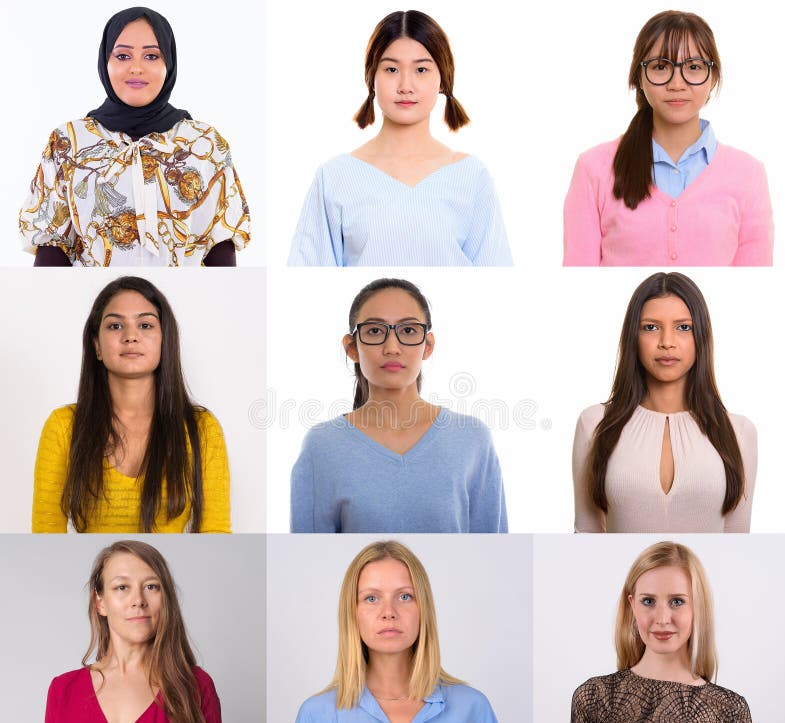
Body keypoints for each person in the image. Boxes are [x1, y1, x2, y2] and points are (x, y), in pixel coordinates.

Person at [20, 7, 250, 266]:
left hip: (187, 303)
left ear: (169, 63)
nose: (136, 68)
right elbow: (52, 247)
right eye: (123, 55)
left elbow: (221, 247)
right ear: (105, 62)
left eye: (151, 56)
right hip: (93, 303)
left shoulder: (204, 144)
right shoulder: (69, 143)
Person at [287, 540, 512, 723]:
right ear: (353, 612)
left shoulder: (472, 710)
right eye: (371, 598)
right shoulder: (316, 717)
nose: (389, 612)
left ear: (422, 609)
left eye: (404, 596)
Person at [288, 10, 512, 266]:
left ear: (443, 79)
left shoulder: (471, 177)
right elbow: (308, 279)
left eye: (421, 69)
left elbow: (496, 282)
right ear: (372, 77)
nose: (406, 85)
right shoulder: (335, 177)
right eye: (392, 69)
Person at [290, 278, 507, 532]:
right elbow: (313, 557)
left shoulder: (472, 439)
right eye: (374, 331)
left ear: (428, 345)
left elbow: (492, 552)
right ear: (352, 348)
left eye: (408, 331)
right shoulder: (322, 446)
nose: (392, 348)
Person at [563, 10, 772, 266]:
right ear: (639, 76)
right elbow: (578, 279)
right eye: (661, 67)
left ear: (713, 77)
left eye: (694, 67)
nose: (677, 83)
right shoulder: (593, 168)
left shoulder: (748, 175)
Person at [570, 541, 768, 723]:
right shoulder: (594, 697)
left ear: (698, 606)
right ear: (632, 605)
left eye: (677, 601)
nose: (662, 618)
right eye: (648, 601)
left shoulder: (727, 708)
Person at [32, 275, 230, 532]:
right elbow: (46, 535)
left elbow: (216, 534)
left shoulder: (202, 428)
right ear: (96, 346)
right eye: (115, 326)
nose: (131, 336)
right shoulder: (63, 426)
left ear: (165, 340)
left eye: (145, 325)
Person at [572, 272, 755, 533]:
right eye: (651, 327)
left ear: (700, 336)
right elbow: (586, 535)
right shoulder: (594, 424)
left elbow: (738, 541)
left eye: (683, 327)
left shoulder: (739, 432)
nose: (667, 343)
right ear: (633, 337)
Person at [43, 539, 227, 723]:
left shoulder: (196, 686)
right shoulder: (63, 691)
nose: (138, 600)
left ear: (166, 599)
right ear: (100, 602)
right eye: (121, 587)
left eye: (151, 586)